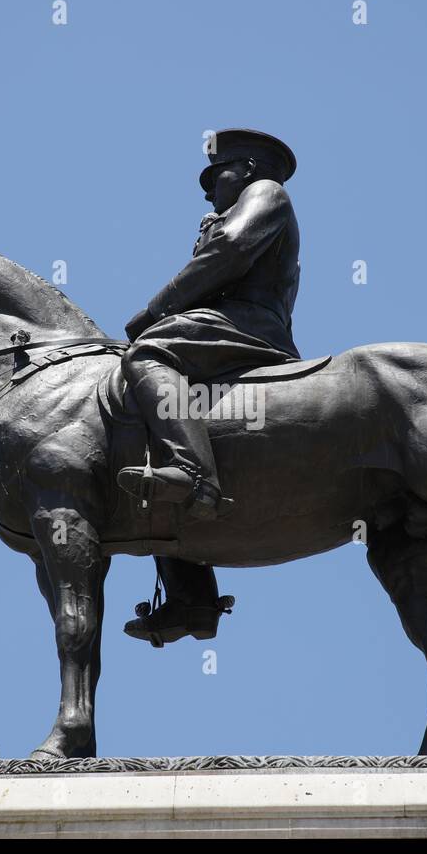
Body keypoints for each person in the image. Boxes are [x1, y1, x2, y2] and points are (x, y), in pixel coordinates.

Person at [118, 129, 302, 646]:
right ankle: (191, 599)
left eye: (212, 176)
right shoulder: (235, 203)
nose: (205, 191)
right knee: (140, 425)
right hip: (220, 327)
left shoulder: (266, 193)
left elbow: (229, 251)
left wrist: (155, 312)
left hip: (246, 328)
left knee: (147, 354)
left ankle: (195, 476)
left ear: (244, 169)